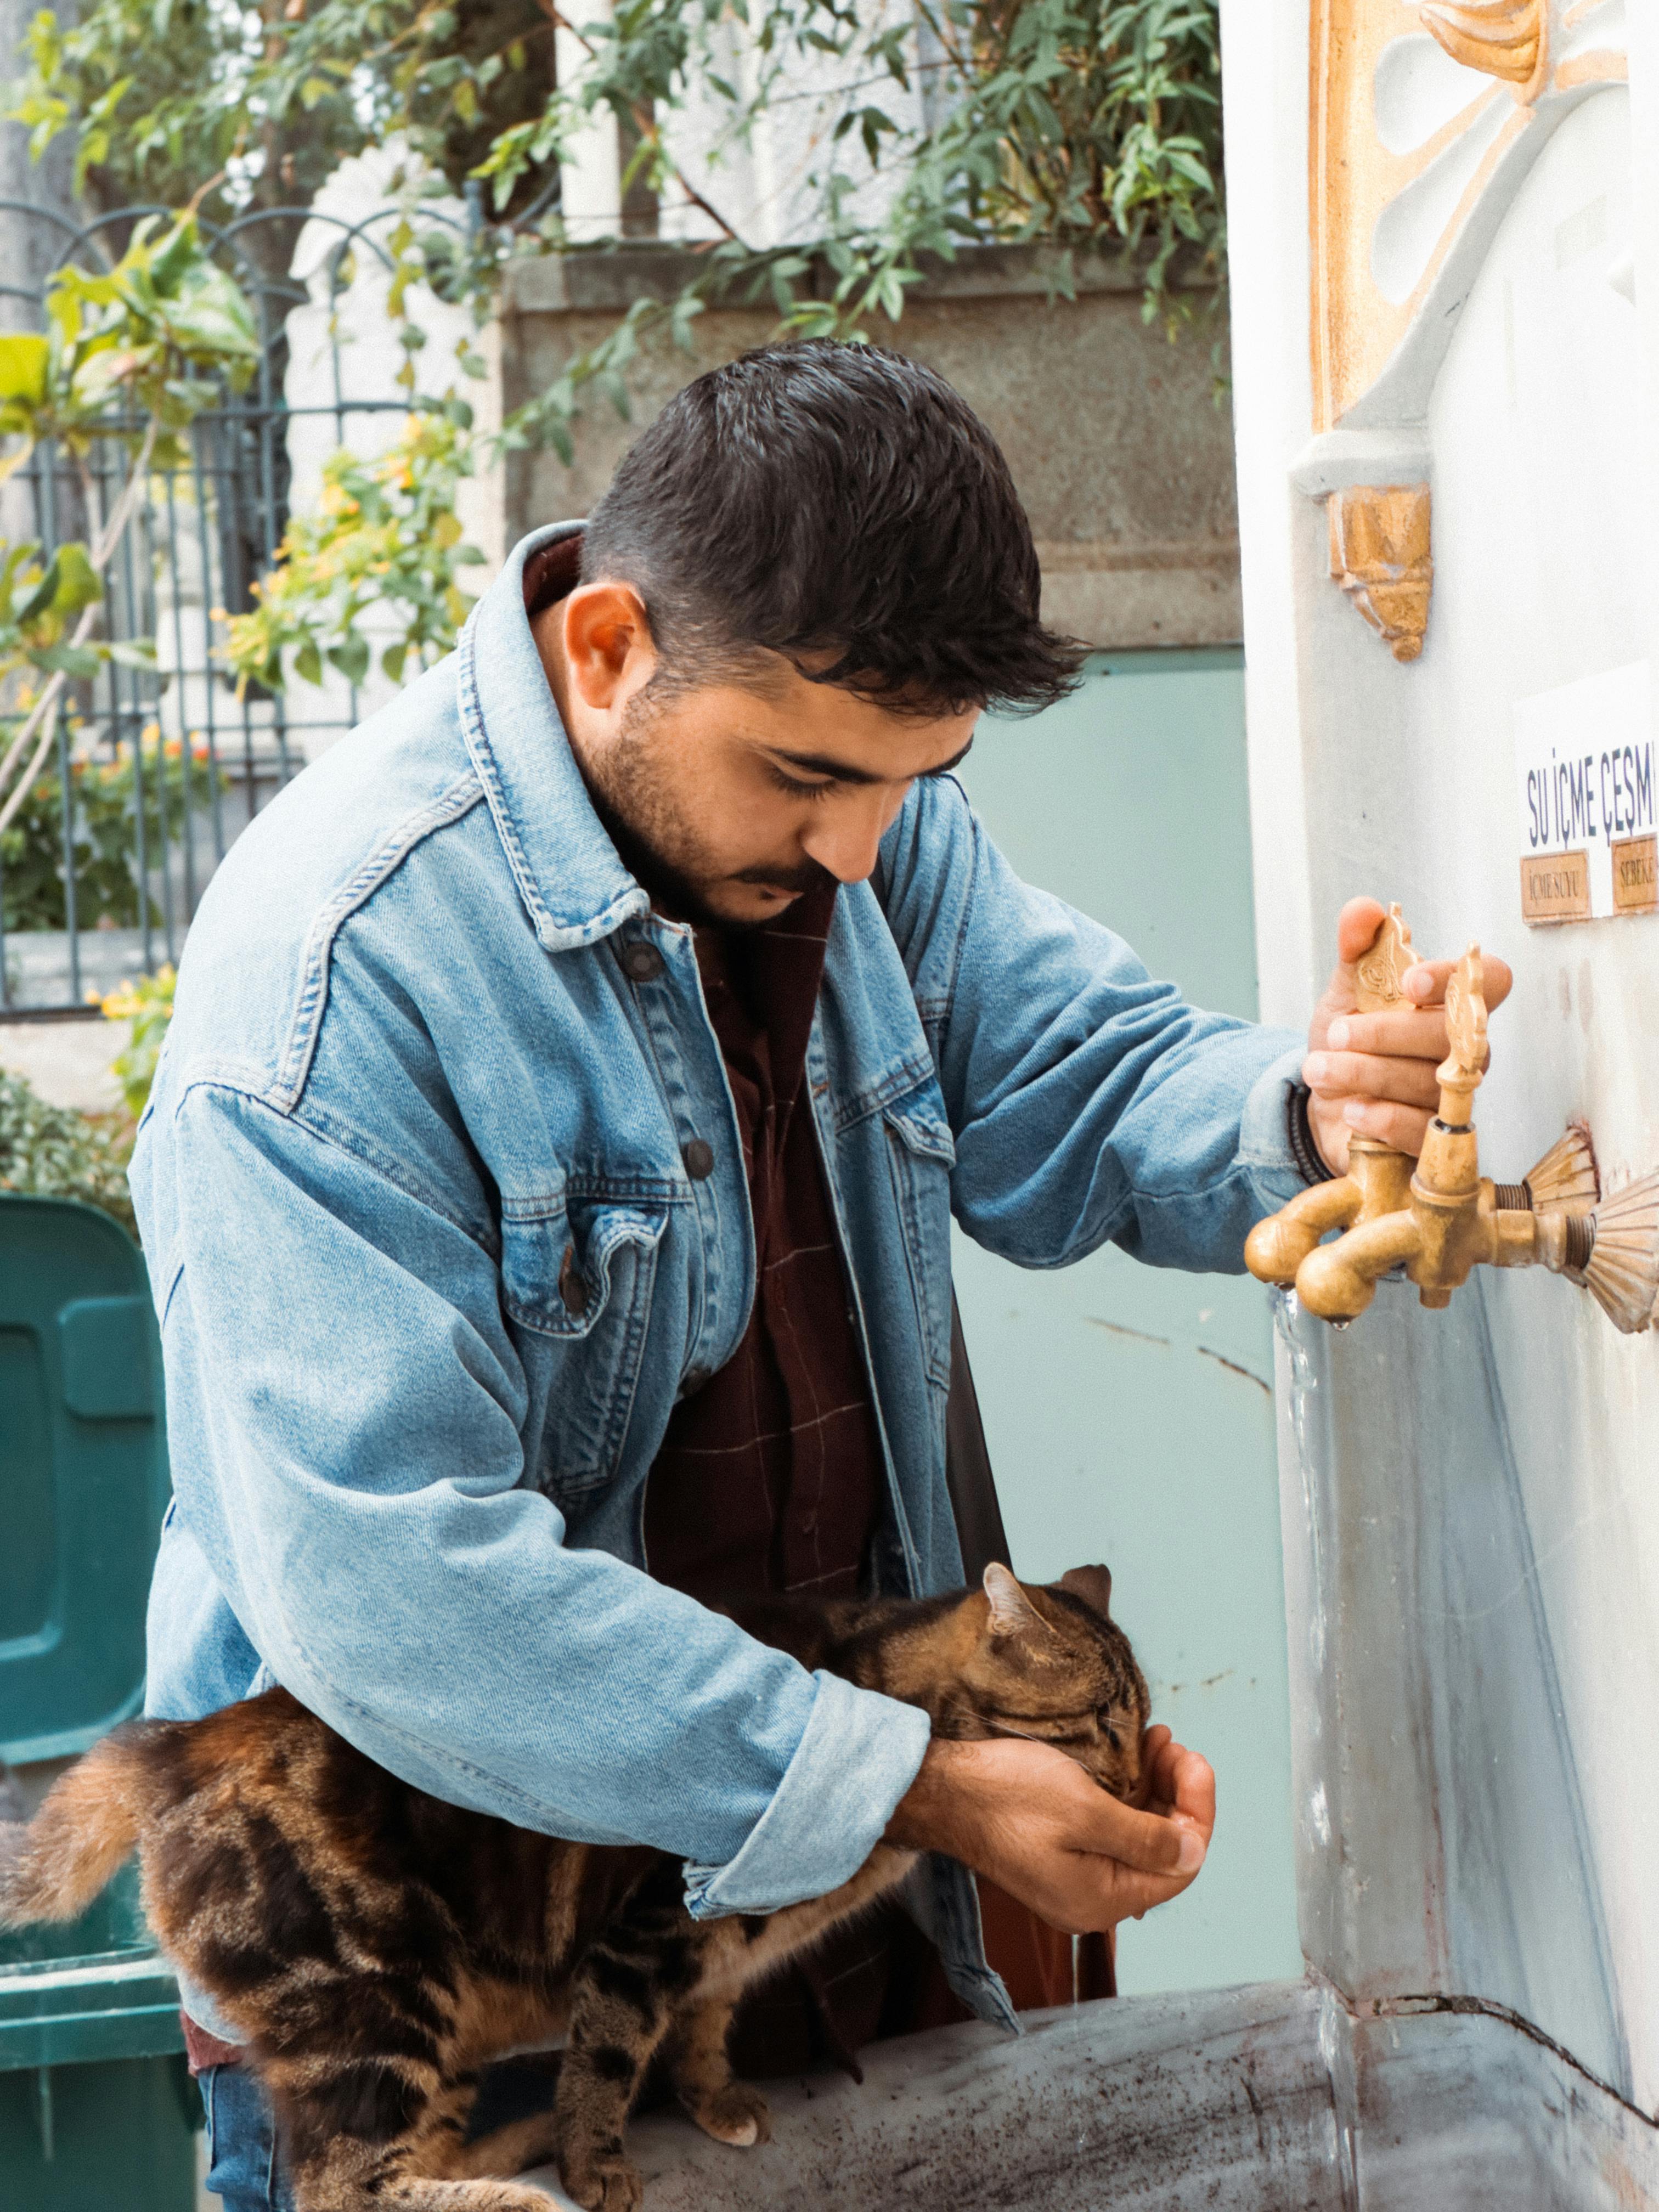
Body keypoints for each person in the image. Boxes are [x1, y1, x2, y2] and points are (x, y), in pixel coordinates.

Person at [132, 341, 1509, 2208]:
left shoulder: (870, 832)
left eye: (912, 781)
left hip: (797, 1920)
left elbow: (1080, 1079)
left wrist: (1308, 1103)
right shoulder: (328, 983)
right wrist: (911, 1785)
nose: (861, 847)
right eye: (806, 778)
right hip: (447, 1984)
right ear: (608, 647)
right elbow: (394, 1582)